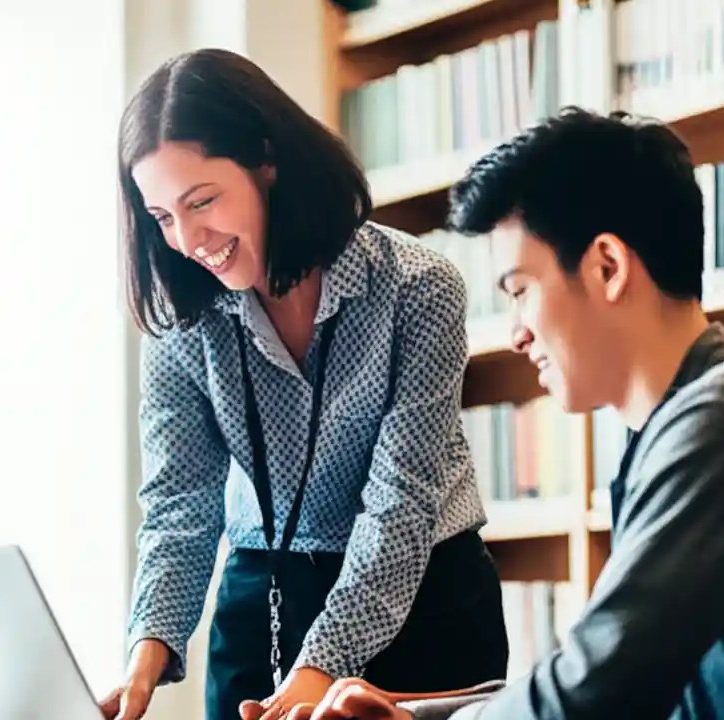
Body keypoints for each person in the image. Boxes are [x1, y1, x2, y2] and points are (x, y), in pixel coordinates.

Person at [306, 107, 724, 719]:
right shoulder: (691, 422)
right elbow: (591, 668)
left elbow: (594, 695)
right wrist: (414, 715)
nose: (517, 334)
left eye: (520, 290)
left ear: (607, 267)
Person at [99, 48, 509, 720]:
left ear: (267, 160)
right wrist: (144, 658)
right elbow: (180, 502)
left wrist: (321, 666)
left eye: (202, 201)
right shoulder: (184, 325)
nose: (189, 238)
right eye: (163, 217)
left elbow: (400, 502)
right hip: (261, 592)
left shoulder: (417, 287)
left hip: (423, 592)